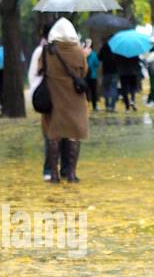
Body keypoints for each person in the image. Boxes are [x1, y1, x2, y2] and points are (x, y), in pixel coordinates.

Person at [38, 18, 89, 182]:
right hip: (75, 100)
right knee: (74, 134)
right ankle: (72, 174)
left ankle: (54, 174)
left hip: (54, 98)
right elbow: (84, 73)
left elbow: (40, 70)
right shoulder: (79, 52)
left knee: (54, 134)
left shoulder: (47, 51)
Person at [28, 29, 51, 180]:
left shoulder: (53, 51)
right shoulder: (42, 51)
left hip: (49, 96)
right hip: (47, 96)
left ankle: (51, 169)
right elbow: (34, 74)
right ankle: (49, 169)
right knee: (49, 133)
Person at [99, 39, 121, 112]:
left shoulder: (104, 48)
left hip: (106, 72)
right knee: (113, 89)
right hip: (114, 72)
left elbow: (99, 58)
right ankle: (112, 106)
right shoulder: (116, 48)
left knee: (106, 89)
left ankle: (107, 105)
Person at [84, 38, 101, 110]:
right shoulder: (92, 54)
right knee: (91, 91)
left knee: (88, 91)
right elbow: (97, 64)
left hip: (88, 75)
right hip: (90, 75)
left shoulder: (84, 53)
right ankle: (92, 105)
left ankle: (89, 105)